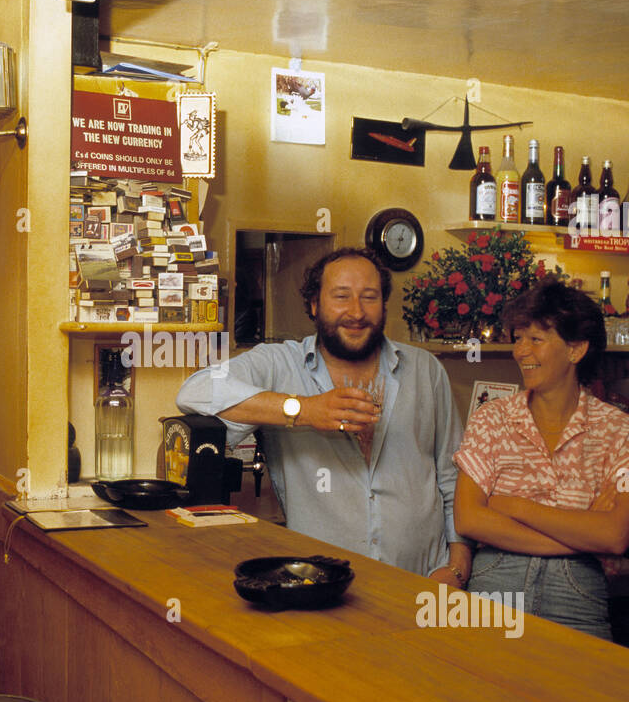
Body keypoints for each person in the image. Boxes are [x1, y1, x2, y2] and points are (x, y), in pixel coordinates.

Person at [176, 247, 471, 584]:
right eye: (341, 296)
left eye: (369, 297)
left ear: (384, 304)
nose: (356, 312)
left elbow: (452, 477)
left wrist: (457, 568)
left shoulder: (425, 369)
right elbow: (194, 392)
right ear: (315, 305)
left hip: (425, 582)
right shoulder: (279, 364)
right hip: (324, 588)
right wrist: (302, 409)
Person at [452, 276, 629, 639]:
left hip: (577, 592)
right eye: (518, 338)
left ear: (576, 350)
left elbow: (615, 537)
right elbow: (469, 518)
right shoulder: (492, 418)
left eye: (536, 339)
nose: (520, 351)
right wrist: (581, 531)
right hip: (495, 582)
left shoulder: (620, 432)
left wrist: (512, 506)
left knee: (577, 696)